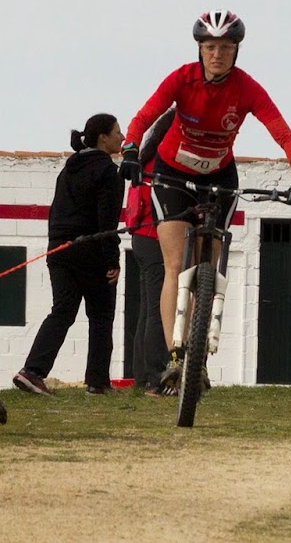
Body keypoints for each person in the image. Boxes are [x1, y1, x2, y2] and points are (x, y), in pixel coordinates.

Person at [122, 10, 291, 387]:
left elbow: (283, 133)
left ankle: (198, 359)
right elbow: (145, 116)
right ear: (199, 48)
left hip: (219, 175)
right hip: (172, 172)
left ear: (236, 51)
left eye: (226, 47)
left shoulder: (246, 88)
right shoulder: (181, 79)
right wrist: (129, 150)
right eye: (210, 46)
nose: (217, 54)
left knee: (205, 268)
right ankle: (175, 357)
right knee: (175, 265)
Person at [14, 114, 126, 395]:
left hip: (59, 250)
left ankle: (33, 371)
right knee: (101, 315)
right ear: (103, 137)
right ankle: (98, 383)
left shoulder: (68, 169)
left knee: (62, 311)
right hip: (90, 250)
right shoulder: (107, 172)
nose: (122, 138)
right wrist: (112, 261)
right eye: (117, 133)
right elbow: (107, 222)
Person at [122, 109, 175, 394]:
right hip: (156, 237)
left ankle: (142, 376)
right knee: (157, 308)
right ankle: (156, 378)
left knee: (147, 308)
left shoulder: (146, 157)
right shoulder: (165, 161)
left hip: (141, 238)